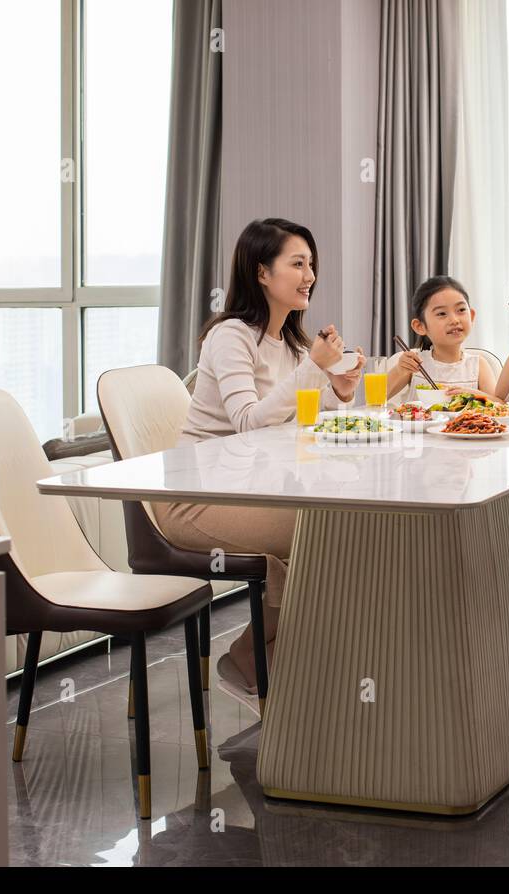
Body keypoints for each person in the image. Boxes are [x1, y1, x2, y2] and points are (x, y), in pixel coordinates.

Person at [158, 217, 364, 712]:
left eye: (311, 264)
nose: (309, 274)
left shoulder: (292, 343)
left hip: (251, 489)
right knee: (328, 533)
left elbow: (305, 422)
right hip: (195, 498)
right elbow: (251, 423)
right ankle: (253, 656)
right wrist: (315, 368)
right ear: (262, 273)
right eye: (297, 263)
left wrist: (340, 390)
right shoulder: (231, 336)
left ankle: (283, 666)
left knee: (349, 527)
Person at [384, 277, 499, 399]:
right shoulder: (415, 364)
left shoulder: (477, 364)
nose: (454, 320)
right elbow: (375, 399)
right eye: (442, 313)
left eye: (461, 310)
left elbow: (500, 405)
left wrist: (472, 395)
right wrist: (399, 370)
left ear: (471, 316)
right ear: (420, 326)